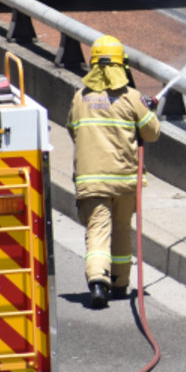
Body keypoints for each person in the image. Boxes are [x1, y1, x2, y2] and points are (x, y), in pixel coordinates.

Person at [67, 35, 161, 309]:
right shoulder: (131, 98)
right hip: (124, 181)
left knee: (98, 232)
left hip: (91, 180)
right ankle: (120, 285)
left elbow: (73, 129)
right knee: (121, 230)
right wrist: (149, 109)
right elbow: (152, 133)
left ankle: (98, 282)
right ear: (122, 65)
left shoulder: (79, 98)